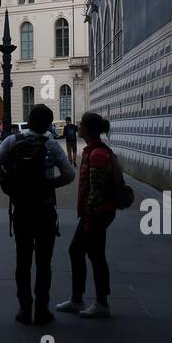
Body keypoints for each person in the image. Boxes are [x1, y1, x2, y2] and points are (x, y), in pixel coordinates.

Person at [0, 104, 75, 325]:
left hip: (22, 208)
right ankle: (42, 308)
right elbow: (69, 174)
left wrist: (8, 181)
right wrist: (50, 184)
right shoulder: (51, 144)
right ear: (48, 124)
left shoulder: (12, 141)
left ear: (28, 119)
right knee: (44, 262)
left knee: (23, 259)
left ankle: (24, 308)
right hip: (44, 208)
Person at [55, 112, 126, 319]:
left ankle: (93, 302)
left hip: (97, 213)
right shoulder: (94, 151)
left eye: (81, 124)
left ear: (87, 129)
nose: (78, 127)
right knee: (93, 254)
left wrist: (89, 219)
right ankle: (88, 300)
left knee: (80, 251)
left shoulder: (97, 155)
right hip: (97, 212)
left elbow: (96, 190)